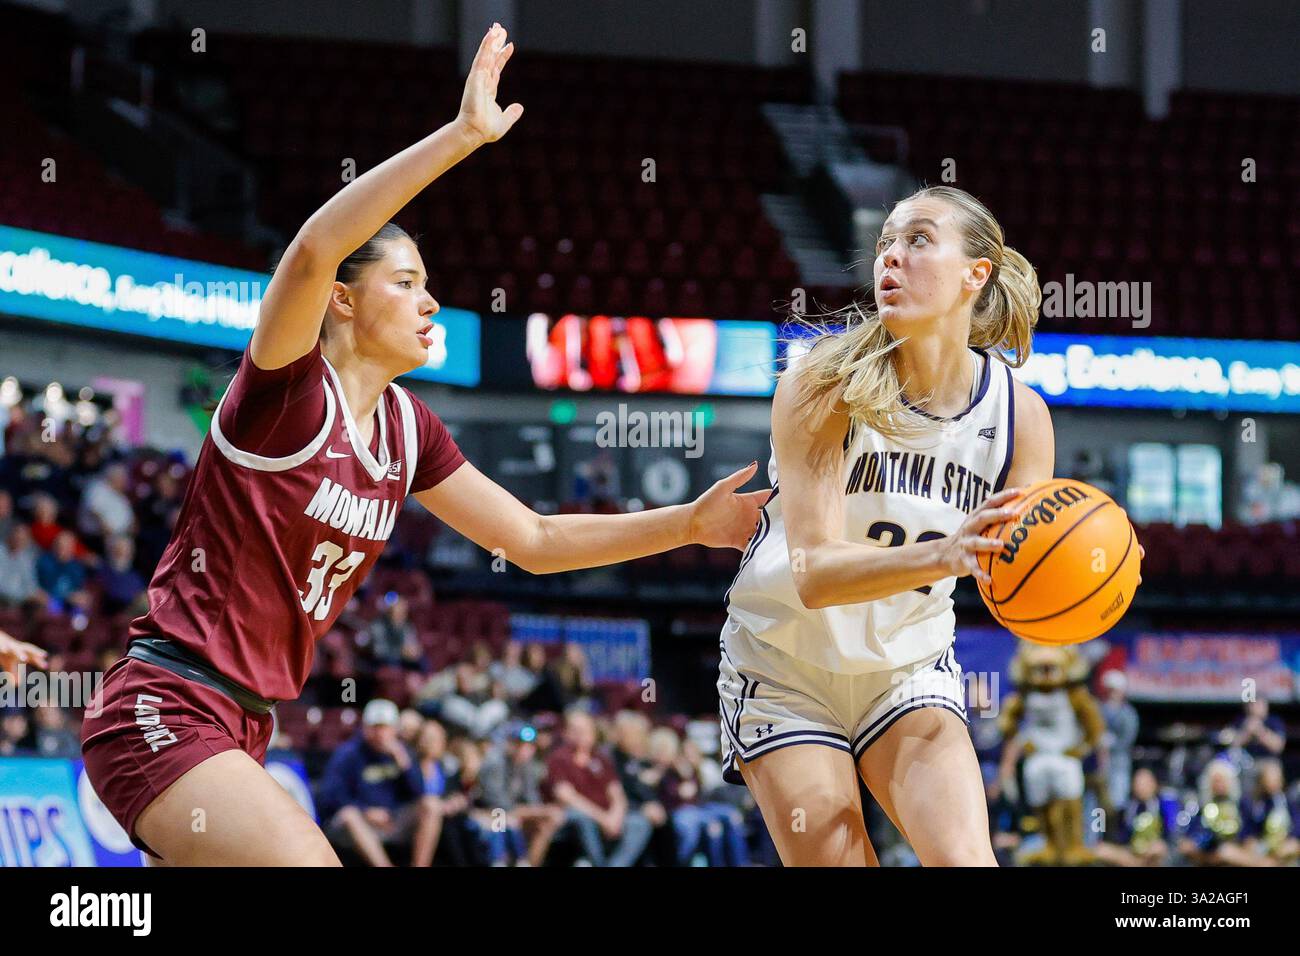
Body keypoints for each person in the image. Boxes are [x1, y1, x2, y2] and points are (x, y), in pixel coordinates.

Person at [77, 24, 763, 867]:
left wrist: (687, 525)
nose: (430, 304)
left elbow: (536, 541)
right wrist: (463, 136)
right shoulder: (287, 396)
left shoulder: (409, 428)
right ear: (341, 302)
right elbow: (311, 248)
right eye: (406, 284)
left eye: (430, 287)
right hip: (166, 702)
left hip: (248, 719)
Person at [720, 185, 1056, 867]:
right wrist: (950, 553)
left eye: (919, 240)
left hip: (907, 666)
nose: (891, 259)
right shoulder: (823, 380)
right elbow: (814, 576)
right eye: (885, 245)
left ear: (976, 275)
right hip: (785, 668)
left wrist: (1089, 560)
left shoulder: (1022, 417)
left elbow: (1024, 581)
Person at [317, 699, 439, 867]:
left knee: (431, 805)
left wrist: (404, 764)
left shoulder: (402, 753)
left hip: (392, 819)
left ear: (395, 730)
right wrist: (365, 811)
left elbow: (419, 793)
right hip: (358, 824)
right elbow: (330, 797)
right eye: (375, 727)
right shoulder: (348, 753)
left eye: (385, 727)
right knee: (350, 815)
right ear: (365, 728)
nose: (380, 733)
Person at [545, 708, 653, 866]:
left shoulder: (601, 758)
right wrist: (602, 818)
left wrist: (615, 817)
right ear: (566, 733)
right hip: (579, 816)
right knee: (582, 818)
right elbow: (566, 796)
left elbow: (617, 793)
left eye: (586, 730)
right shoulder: (559, 758)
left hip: (606, 816)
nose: (582, 734)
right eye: (577, 730)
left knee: (639, 823)